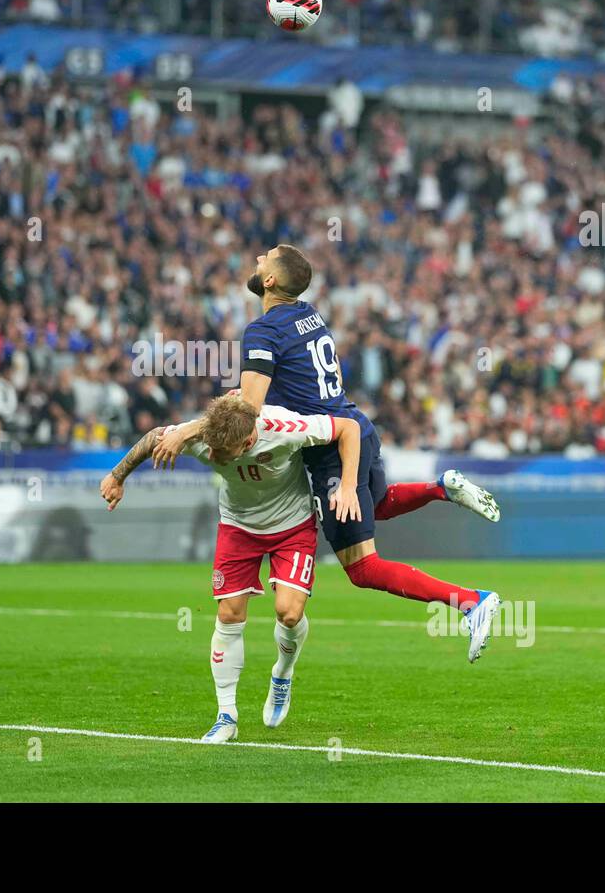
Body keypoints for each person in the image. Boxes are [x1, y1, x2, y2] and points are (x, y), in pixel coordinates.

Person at [155, 244, 504, 663]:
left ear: (269, 281)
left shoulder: (263, 331)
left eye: (263, 258)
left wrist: (186, 430)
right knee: (375, 504)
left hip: (332, 448)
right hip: (357, 425)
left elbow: (246, 412)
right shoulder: (308, 313)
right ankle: (440, 489)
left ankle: (471, 602)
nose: (256, 260)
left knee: (362, 569)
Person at [102, 394, 360, 742]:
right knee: (229, 615)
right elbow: (152, 439)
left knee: (288, 613)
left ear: (248, 441)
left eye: (222, 452)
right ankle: (226, 716)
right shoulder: (205, 437)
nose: (213, 456)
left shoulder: (285, 429)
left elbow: (348, 427)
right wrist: (118, 477)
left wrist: (347, 487)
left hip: (292, 526)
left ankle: (282, 673)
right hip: (238, 527)